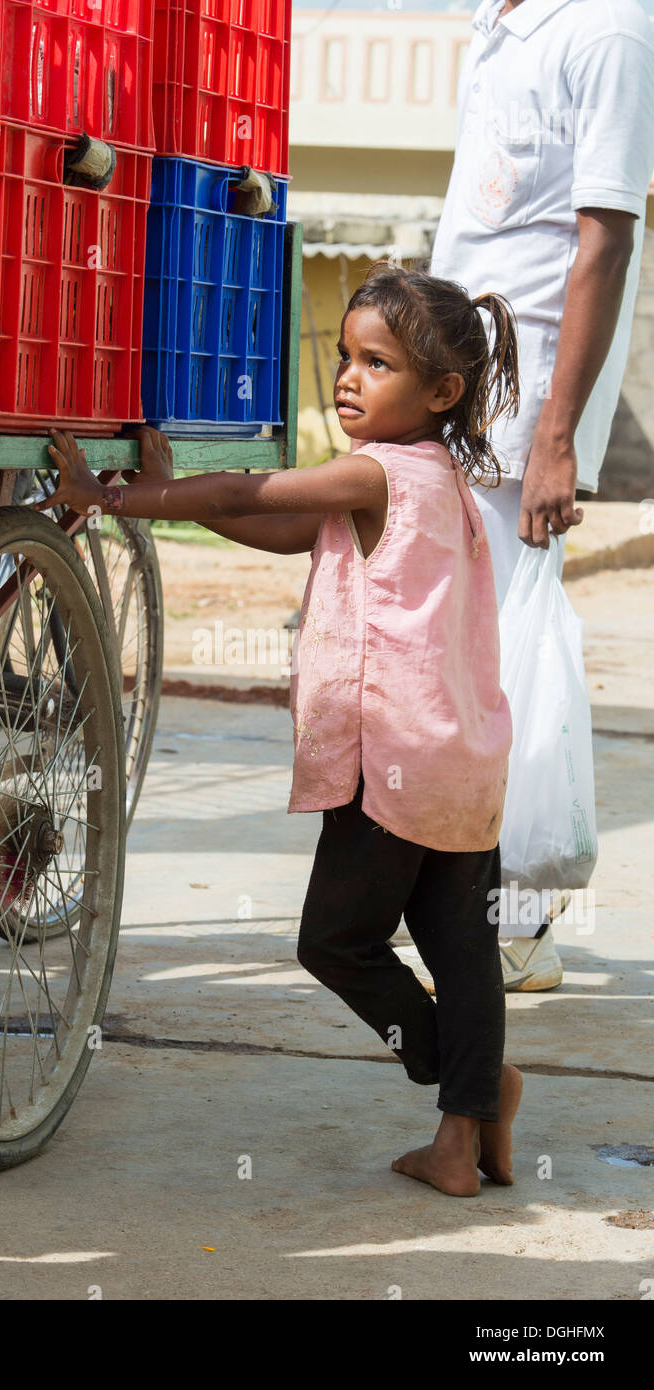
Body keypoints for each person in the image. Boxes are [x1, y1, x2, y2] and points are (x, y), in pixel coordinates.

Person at [39, 264, 524, 1198]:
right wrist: (175, 490)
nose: (347, 376)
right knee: (461, 951)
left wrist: (119, 500)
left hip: (394, 765)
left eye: (374, 363)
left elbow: (248, 496)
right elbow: (285, 528)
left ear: (442, 391)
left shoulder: (374, 471)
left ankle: (475, 1088)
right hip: (466, 763)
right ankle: (462, 1136)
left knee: (334, 943)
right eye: (344, 357)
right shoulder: (441, 487)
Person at [430, 0, 654, 990]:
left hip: (526, 409)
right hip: (465, 378)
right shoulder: (498, 23)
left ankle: (515, 926)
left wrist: (557, 438)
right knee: (469, 644)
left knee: (507, 651)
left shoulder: (607, 27)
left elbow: (603, 239)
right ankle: (481, 909)